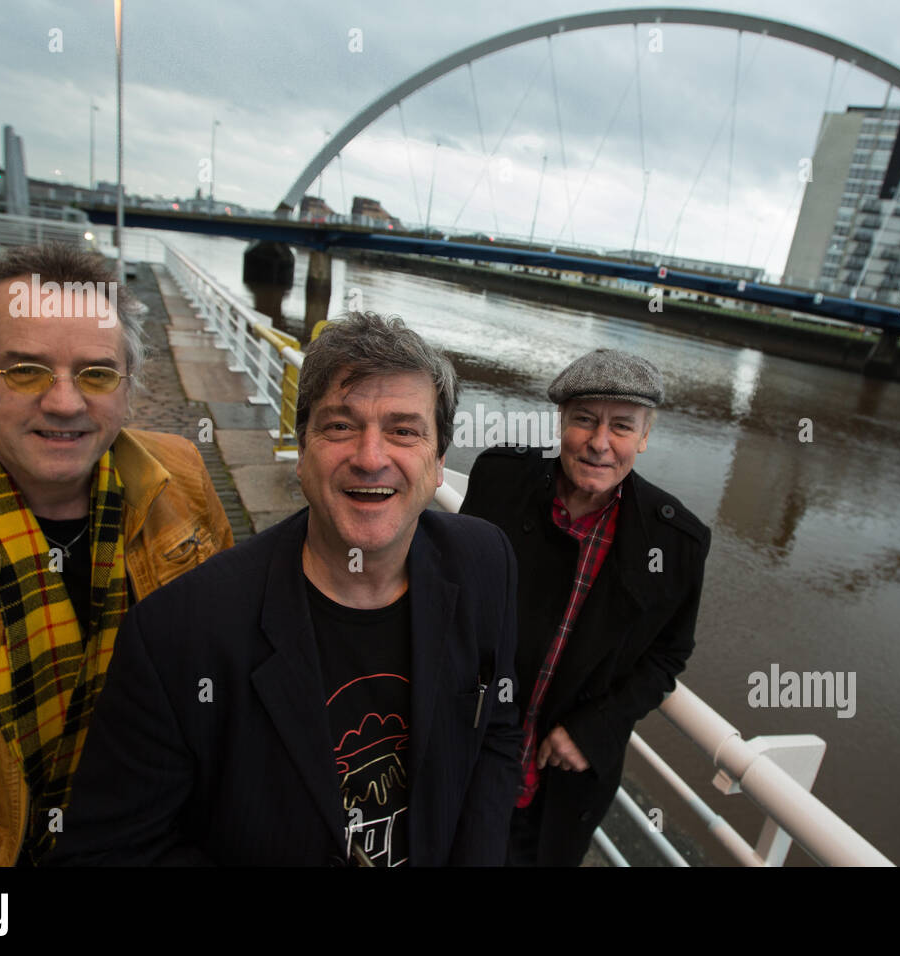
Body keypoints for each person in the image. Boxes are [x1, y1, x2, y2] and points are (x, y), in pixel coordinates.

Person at [46, 311, 521, 866]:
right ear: (302, 452)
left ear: (439, 462)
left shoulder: (486, 561)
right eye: (339, 426)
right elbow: (110, 853)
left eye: (404, 430)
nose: (371, 458)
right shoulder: (182, 632)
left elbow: (496, 733)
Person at [0, 242, 235, 866]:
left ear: (128, 385)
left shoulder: (183, 476)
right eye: (24, 370)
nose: (64, 402)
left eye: (96, 374)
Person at [460, 348, 711, 866]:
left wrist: (597, 729)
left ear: (645, 436)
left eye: (622, 426)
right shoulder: (500, 482)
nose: (600, 443)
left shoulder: (676, 541)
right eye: (584, 420)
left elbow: (668, 656)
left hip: (561, 784)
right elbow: (450, 595)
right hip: (466, 753)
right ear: (561, 423)